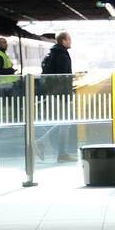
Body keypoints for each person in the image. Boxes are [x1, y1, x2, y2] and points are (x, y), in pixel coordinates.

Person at [38, 32, 76, 162]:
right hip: (61, 95)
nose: (71, 42)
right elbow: (62, 77)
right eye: (69, 39)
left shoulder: (54, 53)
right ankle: (59, 152)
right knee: (65, 123)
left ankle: (59, 151)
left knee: (64, 122)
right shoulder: (63, 56)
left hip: (54, 94)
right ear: (63, 41)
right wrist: (67, 95)